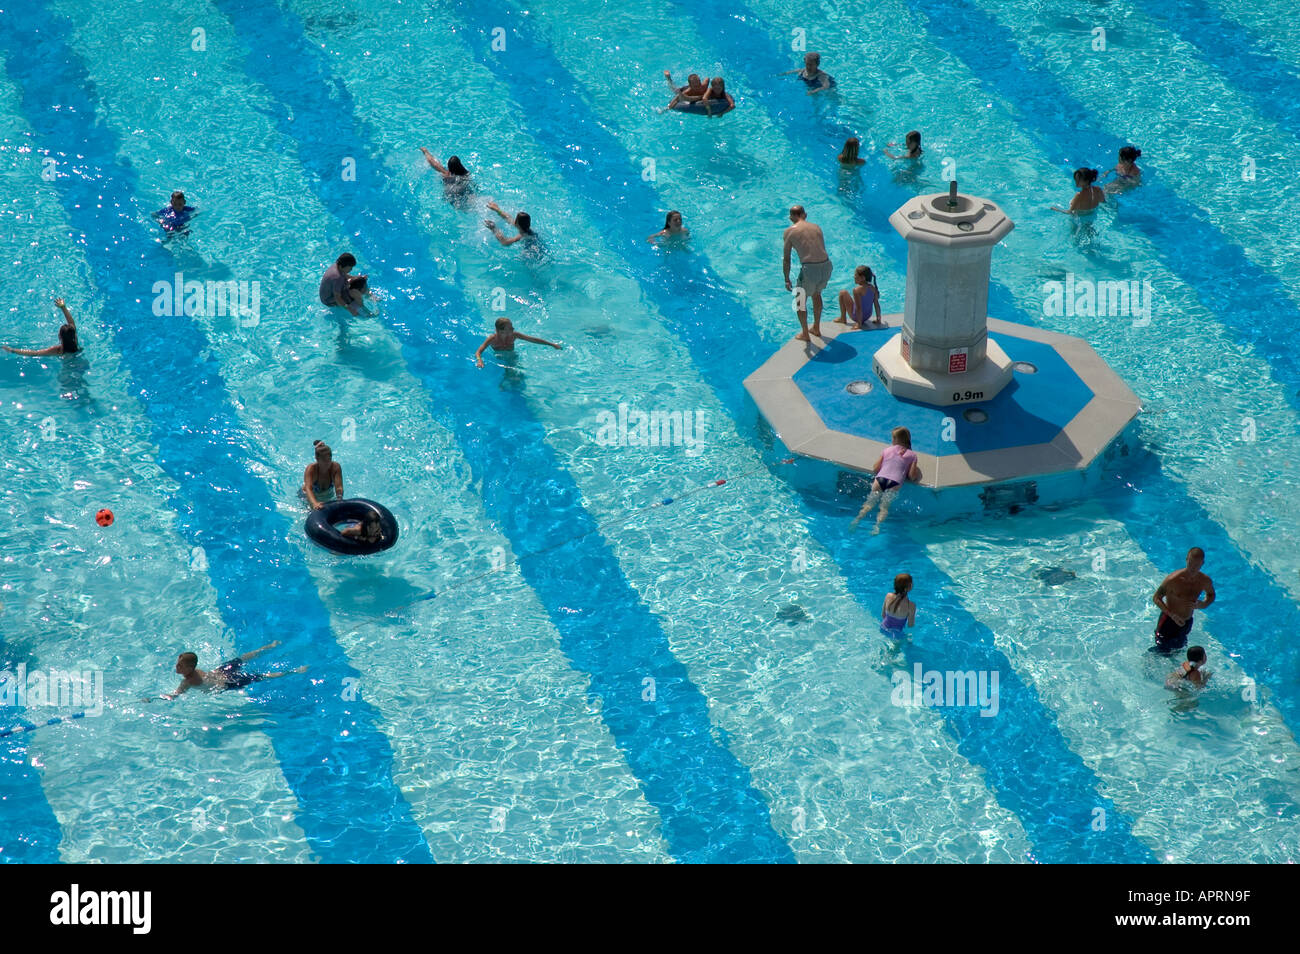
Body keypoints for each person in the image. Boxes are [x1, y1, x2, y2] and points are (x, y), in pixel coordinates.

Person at [161, 641, 303, 699]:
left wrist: (158, 698)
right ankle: (269, 647)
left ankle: (294, 671)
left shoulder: (188, 681)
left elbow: (175, 695)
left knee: (260, 676)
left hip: (227, 682)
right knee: (241, 660)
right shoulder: (194, 671)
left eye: (180, 665)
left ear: (189, 668)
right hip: (221, 672)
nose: (176, 667)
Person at [850, 427, 921, 533]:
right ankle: (877, 526)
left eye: (892, 438)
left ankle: (857, 519)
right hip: (895, 482)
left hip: (880, 479)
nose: (891, 440)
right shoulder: (912, 455)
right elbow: (911, 476)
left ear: (896, 439)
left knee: (869, 503)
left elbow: (875, 468)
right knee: (884, 507)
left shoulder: (886, 450)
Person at [782, 205, 833, 342]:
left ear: (791, 217)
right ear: (805, 214)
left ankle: (805, 333)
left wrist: (787, 279)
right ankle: (816, 328)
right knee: (817, 295)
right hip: (827, 265)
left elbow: (787, 259)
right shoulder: (816, 227)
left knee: (800, 301)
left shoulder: (790, 231)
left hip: (810, 269)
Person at [1151, 547, 1216, 653]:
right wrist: (1172, 615)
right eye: (1190, 563)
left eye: (1196, 565)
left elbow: (1211, 595)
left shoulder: (1205, 581)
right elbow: (1156, 598)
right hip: (1168, 620)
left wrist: (1202, 604)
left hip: (1186, 622)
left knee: (1178, 650)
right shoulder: (1173, 580)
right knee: (1160, 651)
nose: (1192, 568)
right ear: (1186, 560)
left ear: (1202, 563)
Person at [3, 297, 80, 356]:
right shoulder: (75, 344)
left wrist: (12, 350)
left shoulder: (58, 350)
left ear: (60, 336)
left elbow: (35, 353)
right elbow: (71, 322)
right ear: (74, 335)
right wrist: (63, 307)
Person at [475, 317, 561, 368]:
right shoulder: (492, 339)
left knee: (518, 371)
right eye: (510, 328)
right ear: (500, 331)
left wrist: (552, 344)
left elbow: (533, 339)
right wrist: (480, 361)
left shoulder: (514, 335)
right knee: (509, 371)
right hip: (498, 357)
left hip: (512, 355)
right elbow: (478, 352)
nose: (513, 329)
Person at [302, 440, 344, 510]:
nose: (327, 464)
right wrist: (314, 503)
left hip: (327, 494)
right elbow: (308, 489)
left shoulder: (335, 467)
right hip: (308, 496)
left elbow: (339, 487)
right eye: (324, 461)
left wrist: (339, 498)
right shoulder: (311, 469)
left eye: (329, 460)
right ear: (317, 459)